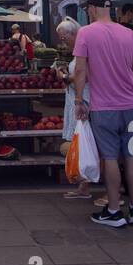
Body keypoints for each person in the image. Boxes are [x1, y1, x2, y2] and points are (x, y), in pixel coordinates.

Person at [72, 0, 133, 227]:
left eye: (87, 10)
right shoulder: (129, 34)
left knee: (110, 158)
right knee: (132, 156)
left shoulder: (85, 33)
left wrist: (78, 100)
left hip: (104, 107)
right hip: (131, 105)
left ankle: (114, 211)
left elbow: (80, 71)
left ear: (92, 9)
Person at [55, 18, 92, 200]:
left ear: (73, 33)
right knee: (82, 143)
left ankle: (85, 183)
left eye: (64, 38)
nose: (64, 42)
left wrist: (64, 76)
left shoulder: (83, 50)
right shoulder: (78, 51)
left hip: (83, 101)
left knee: (86, 143)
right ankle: (83, 184)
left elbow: (84, 75)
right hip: (77, 100)